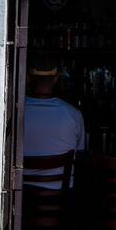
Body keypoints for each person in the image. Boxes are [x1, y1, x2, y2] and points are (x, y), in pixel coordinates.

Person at [23, 52, 85, 186]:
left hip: (23, 198)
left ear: (28, 78)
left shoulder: (16, 112)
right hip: (60, 198)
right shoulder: (73, 114)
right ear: (56, 78)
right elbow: (80, 155)